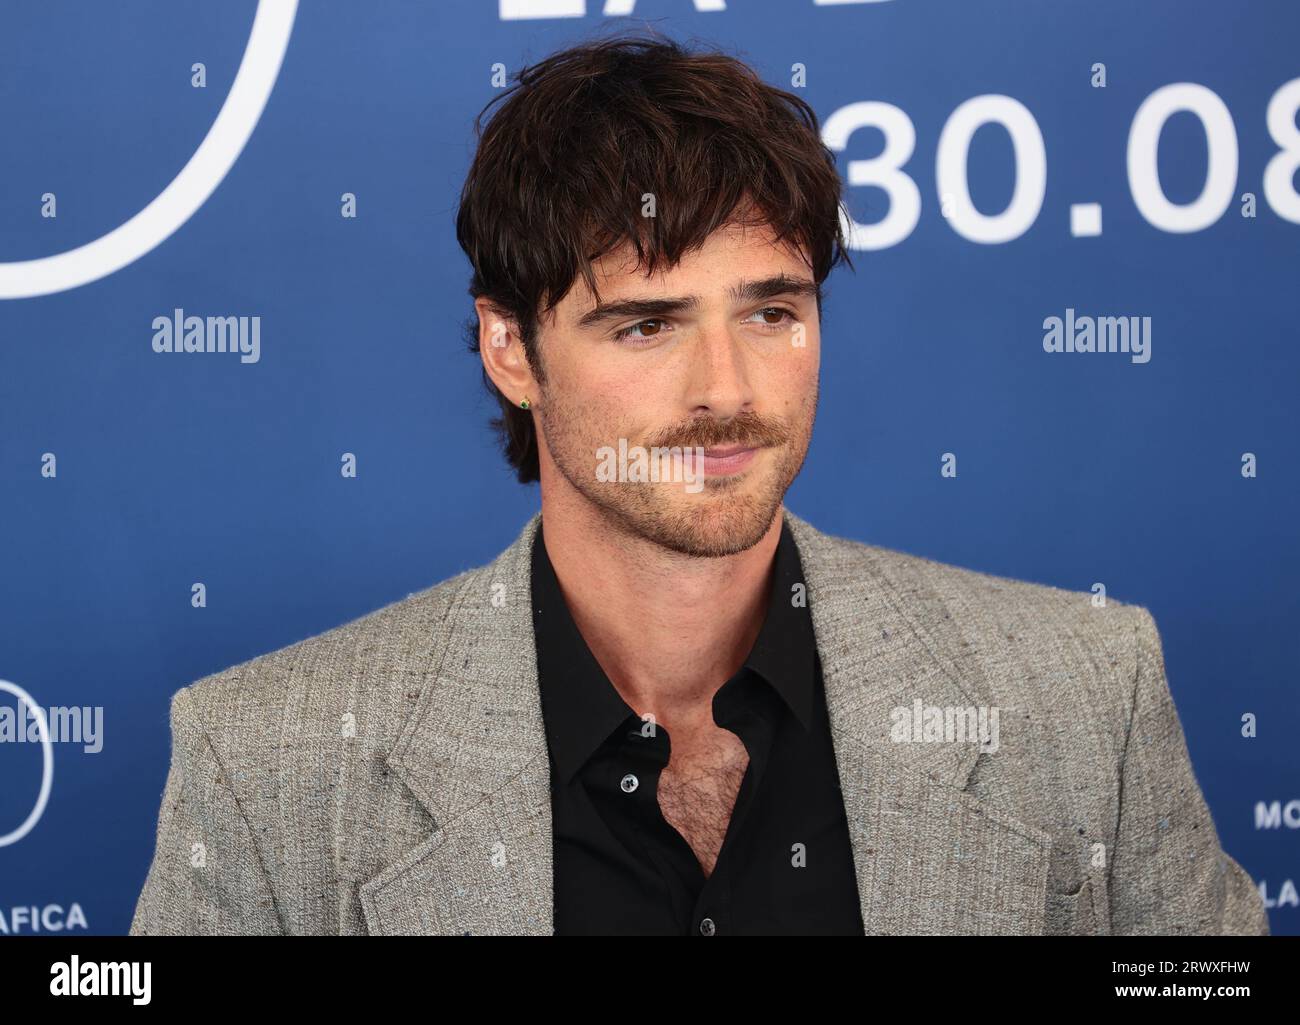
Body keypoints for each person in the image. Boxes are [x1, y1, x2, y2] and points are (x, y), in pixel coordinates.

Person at [130, 34, 1267, 936]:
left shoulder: (1082, 694)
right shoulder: (265, 762)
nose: (726, 389)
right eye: (646, 324)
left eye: (772, 311)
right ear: (510, 348)